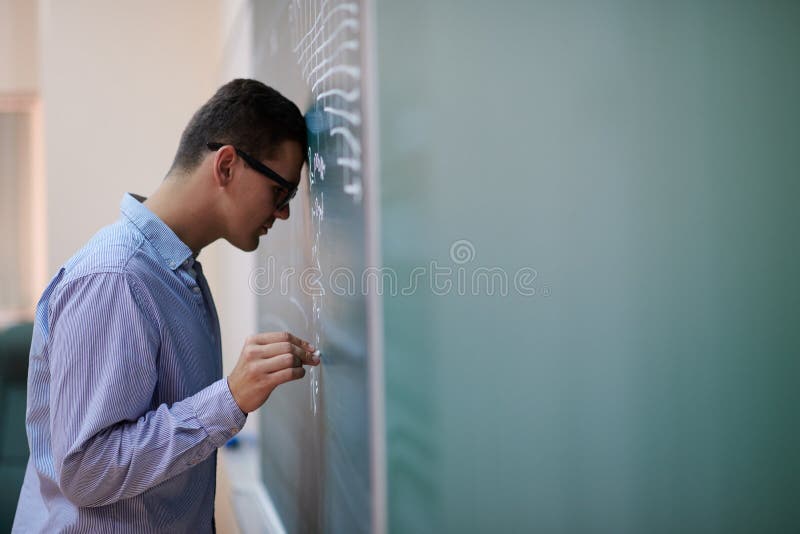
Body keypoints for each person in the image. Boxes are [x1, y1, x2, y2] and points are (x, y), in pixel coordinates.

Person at [12, 79, 320, 533]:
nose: (284, 214)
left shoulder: (178, 275)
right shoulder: (116, 280)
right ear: (228, 165)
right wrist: (230, 398)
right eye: (281, 193)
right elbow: (86, 471)